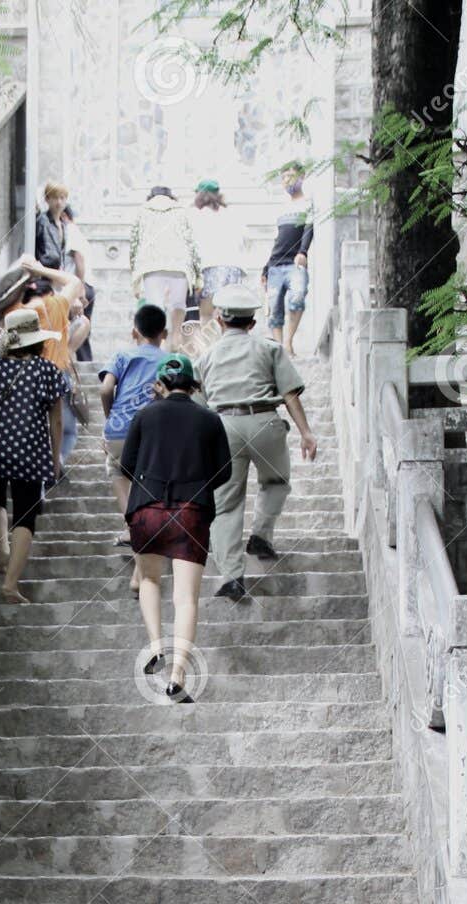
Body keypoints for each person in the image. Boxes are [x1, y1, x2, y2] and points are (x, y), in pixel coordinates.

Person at [119, 352, 232, 703]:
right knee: (186, 599)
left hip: (147, 510)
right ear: (193, 383)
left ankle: (155, 646)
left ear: (161, 383)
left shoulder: (144, 415)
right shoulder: (210, 419)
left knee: (150, 580)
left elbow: (126, 466)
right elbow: (224, 472)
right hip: (190, 513)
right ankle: (178, 674)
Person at [198, 283, 318, 605]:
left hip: (222, 425)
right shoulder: (269, 349)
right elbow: (290, 393)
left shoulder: (206, 357)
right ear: (252, 323)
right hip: (264, 420)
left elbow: (197, 405)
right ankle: (261, 535)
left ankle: (232, 576)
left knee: (224, 503)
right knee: (275, 481)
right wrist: (306, 432)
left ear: (220, 320)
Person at [0, 306, 71, 605]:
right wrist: (55, 457)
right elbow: (57, 421)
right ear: (36, 339)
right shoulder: (48, 370)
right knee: (26, 515)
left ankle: (3, 552)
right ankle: (10, 585)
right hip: (32, 450)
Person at [99, 301, 168, 555]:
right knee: (149, 477)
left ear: (134, 332)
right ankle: (151, 526)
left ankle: (133, 527)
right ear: (165, 334)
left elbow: (106, 389)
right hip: (155, 430)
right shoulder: (169, 359)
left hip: (119, 428)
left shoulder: (122, 355)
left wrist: (110, 418)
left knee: (118, 473)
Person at [17, 254, 88, 475]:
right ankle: (56, 461)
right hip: (56, 373)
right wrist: (41, 269)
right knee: (66, 430)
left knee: (31, 429)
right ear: (49, 292)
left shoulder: (20, 310)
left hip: (27, 376)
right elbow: (75, 282)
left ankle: (31, 470)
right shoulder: (56, 304)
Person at [129, 185, 203, 351]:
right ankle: (175, 339)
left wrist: (134, 276)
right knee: (178, 305)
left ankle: (157, 344)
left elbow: (134, 244)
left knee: (155, 306)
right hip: (179, 263)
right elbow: (192, 244)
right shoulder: (181, 211)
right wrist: (198, 276)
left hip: (151, 264)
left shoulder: (142, 211)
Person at [261, 165, 313, 356]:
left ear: (302, 176)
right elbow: (276, 240)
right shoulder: (280, 208)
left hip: (295, 263)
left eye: (291, 176)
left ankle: (289, 342)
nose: (288, 181)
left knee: (297, 298)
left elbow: (309, 229)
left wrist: (303, 252)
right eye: (284, 178)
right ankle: (279, 348)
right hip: (275, 264)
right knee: (274, 308)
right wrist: (265, 269)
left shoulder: (308, 203)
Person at [192, 180, 246, 325]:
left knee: (206, 315)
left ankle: (210, 347)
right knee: (227, 315)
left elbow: (194, 245)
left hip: (210, 267)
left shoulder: (198, 215)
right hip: (233, 268)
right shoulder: (231, 213)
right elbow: (242, 241)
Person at [63, 204, 96, 361]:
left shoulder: (70, 230)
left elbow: (79, 259)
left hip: (79, 285)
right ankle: (85, 363)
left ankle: (76, 363)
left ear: (64, 216)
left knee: (76, 326)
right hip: (85, 285)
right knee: (81, 330)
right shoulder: (78, 234)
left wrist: (79, 289)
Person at [34, 181, 70, 272]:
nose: (59, 202)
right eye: (55, 198)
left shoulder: (63, 224)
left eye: (62, 198)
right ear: (47, 199)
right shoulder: (42, 220)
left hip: (57, 273)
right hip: (42, 272)